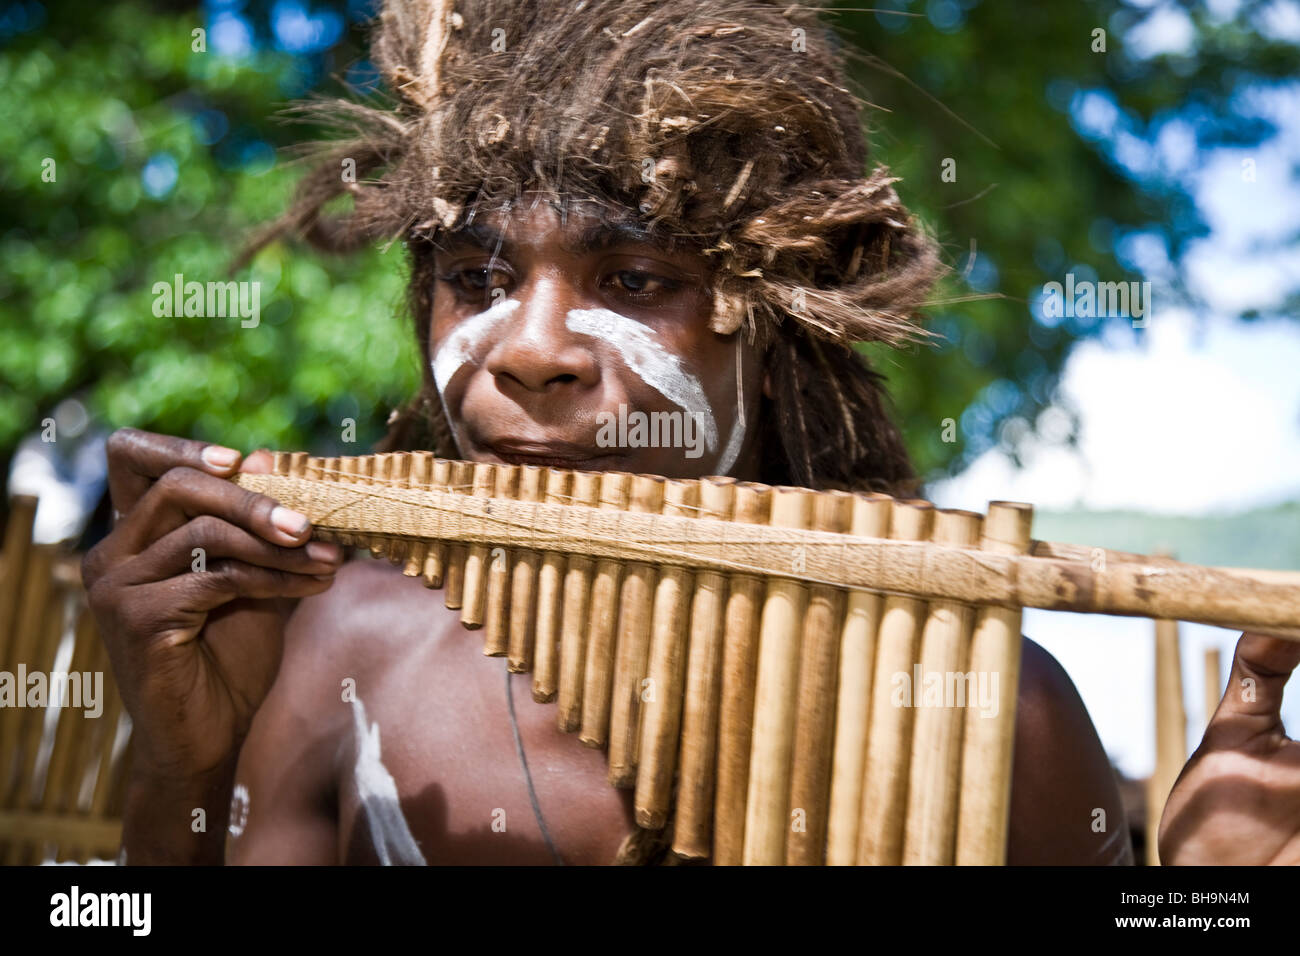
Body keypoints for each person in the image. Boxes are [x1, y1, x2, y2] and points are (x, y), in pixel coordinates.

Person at [84, 0, 1135, 865]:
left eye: (632, 279)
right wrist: (181, 776)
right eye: (474, 278)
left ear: (769, 329)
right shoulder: (334, 642)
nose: (531, 349)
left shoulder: (986, 711)